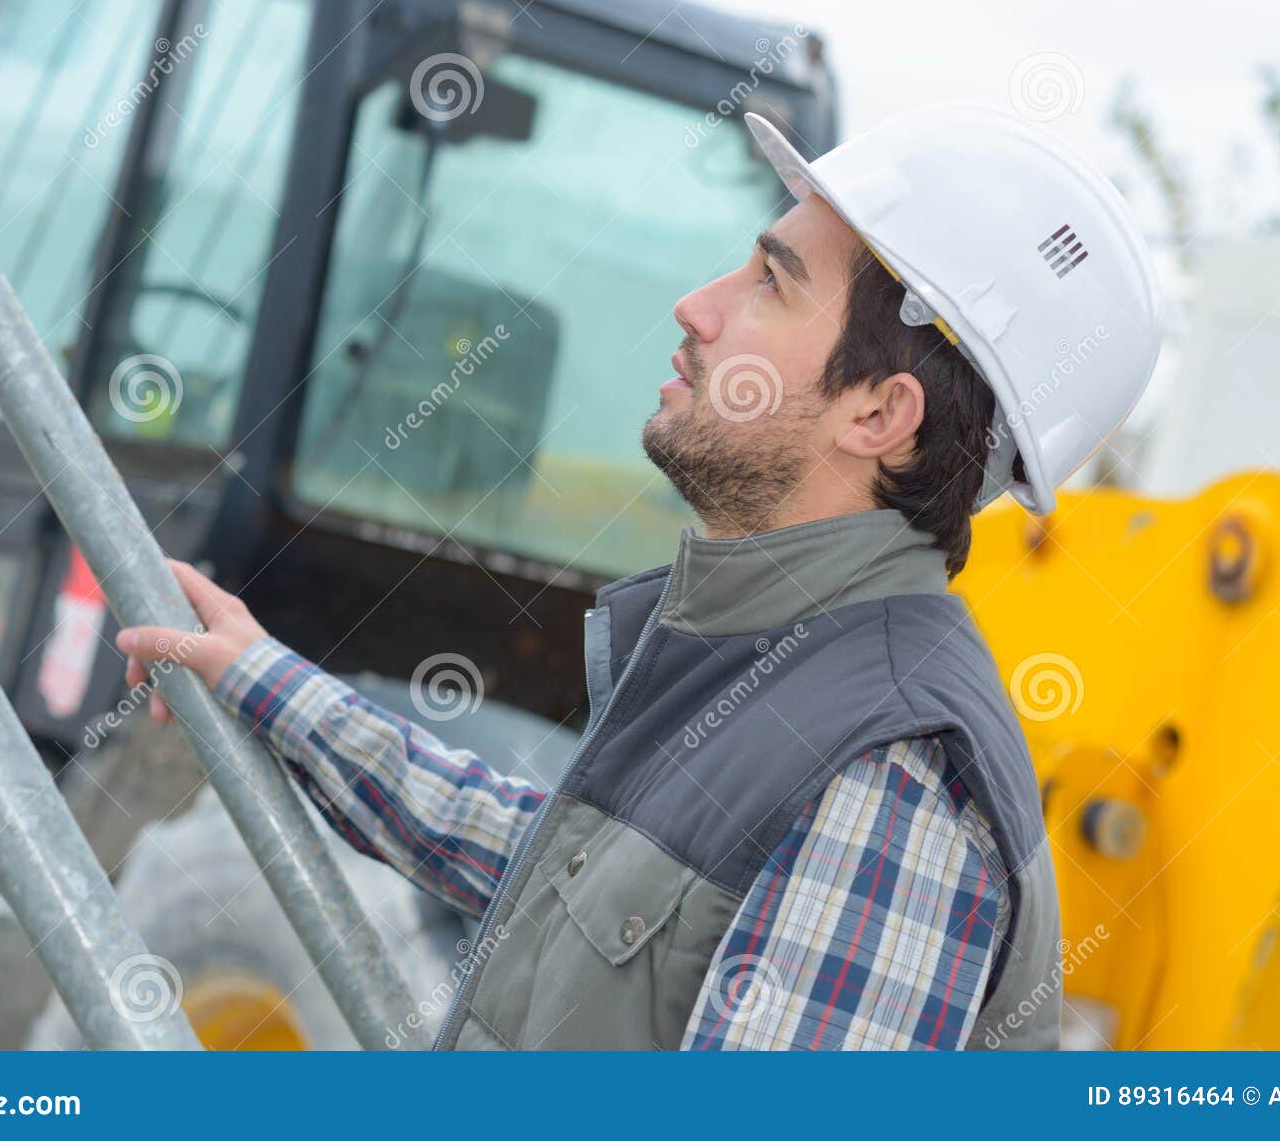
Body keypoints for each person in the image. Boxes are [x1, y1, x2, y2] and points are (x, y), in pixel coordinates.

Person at [116, 106, 1162, 1050]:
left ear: (879, 415)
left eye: (769, 283)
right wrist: (265, 680)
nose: (697, 307)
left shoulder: (881, 774)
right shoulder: (775, 665)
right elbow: (563, 885)